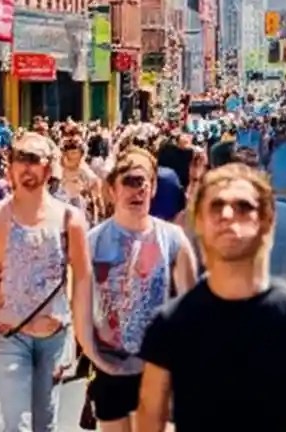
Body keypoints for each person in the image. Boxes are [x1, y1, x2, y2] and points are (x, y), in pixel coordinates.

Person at [136, 164, 286, 431]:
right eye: (216, 206)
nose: (228, 215)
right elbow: (149, 415)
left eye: (243, 207)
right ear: (199, 222)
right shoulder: (170, 325)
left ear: (267, 220)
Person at [0, 132, 91, 432]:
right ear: (9, 167)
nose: (27, 168)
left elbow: (82, 280)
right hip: (11, 335)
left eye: (35, 160)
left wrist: (86, 337)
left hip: (54, 336)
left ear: (49, 167)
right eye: (21, 159)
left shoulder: (70, 219)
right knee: (18, 425)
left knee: (45, 425)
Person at [76, 147, 196, 432]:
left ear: (153, 188)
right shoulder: (92, 242)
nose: (137, 190)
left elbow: (192, 312)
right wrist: (101, 362)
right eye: (129, 181)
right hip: (109, 365)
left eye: (144, 182)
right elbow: (81, 312)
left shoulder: (173, 239)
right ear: (112, 189)